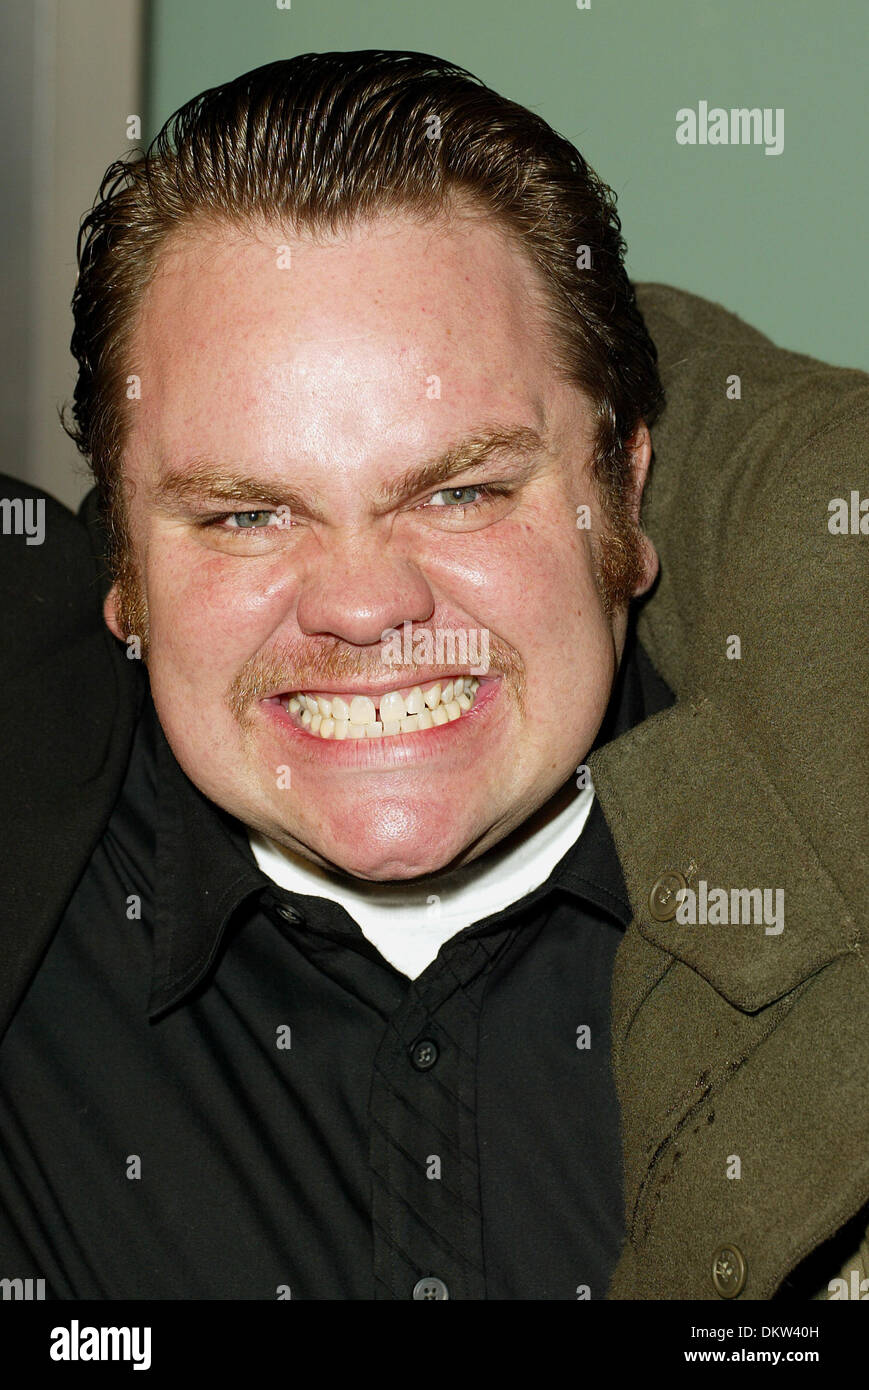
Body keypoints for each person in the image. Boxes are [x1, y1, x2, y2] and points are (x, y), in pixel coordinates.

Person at [0, 50, 865, 1302]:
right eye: (247, 515)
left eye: (460, 492)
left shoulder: (813, 859)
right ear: (122, 561)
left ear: (620, 494)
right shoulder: (40, 857)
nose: (362, 604)